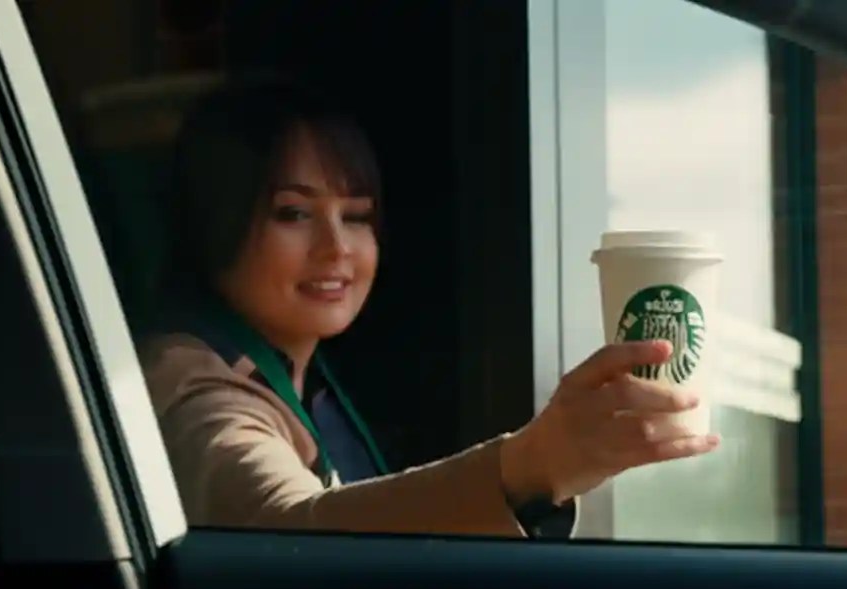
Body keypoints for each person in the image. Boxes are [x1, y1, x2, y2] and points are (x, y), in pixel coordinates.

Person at [138, 77, 719, 538]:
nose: (337, 248)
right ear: (215, 221)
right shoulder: (187, 376)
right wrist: (536, 462)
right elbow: (287, 532)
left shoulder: (309, 383)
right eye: (293, 213)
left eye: (358, 216)